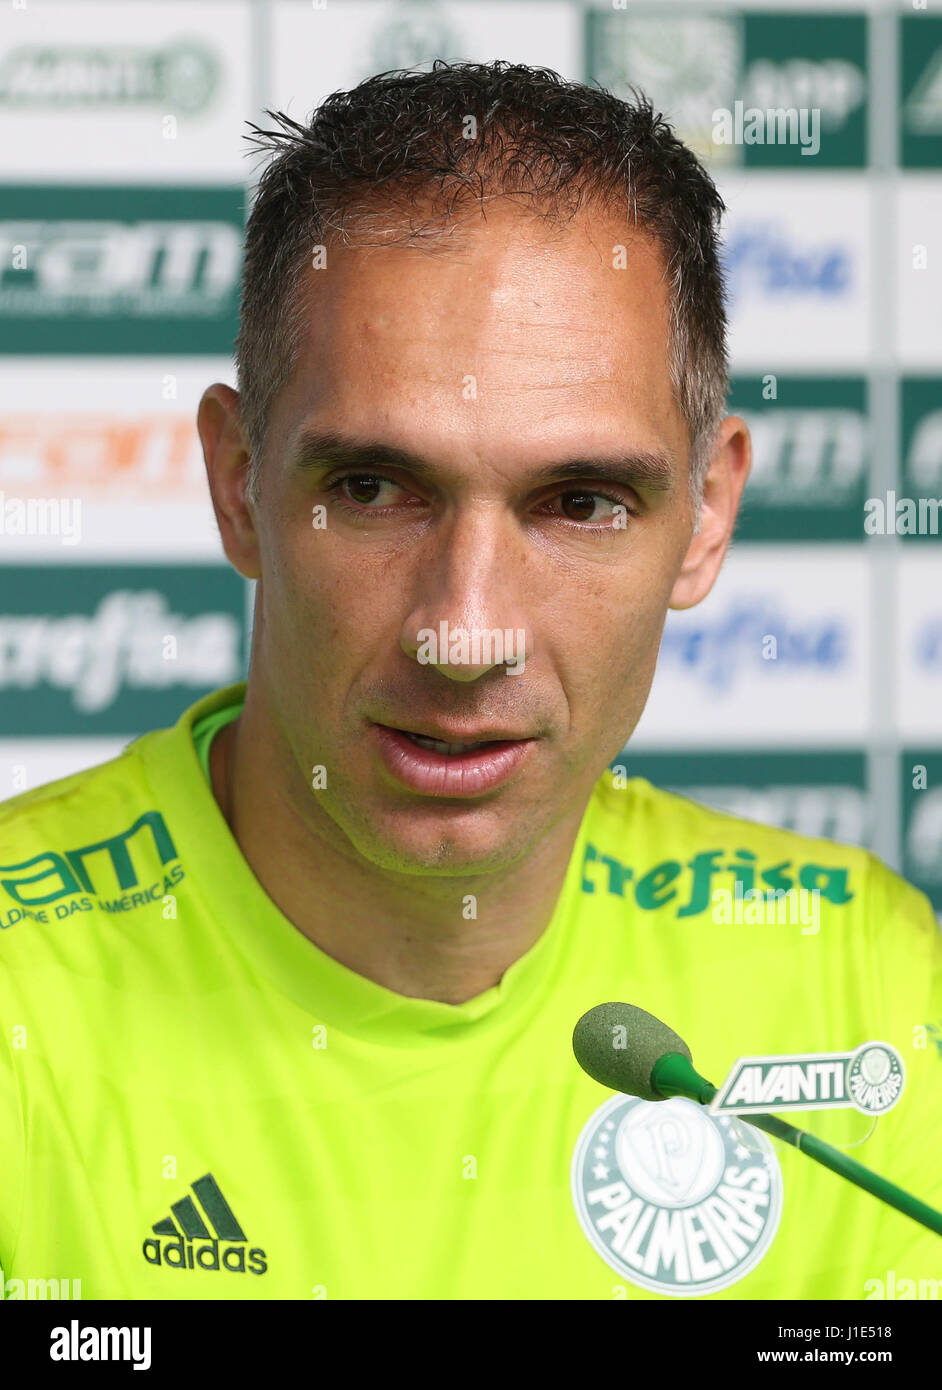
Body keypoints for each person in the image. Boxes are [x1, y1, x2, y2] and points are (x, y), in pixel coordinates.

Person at [0, 61, 938, 1301]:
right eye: (376, 490)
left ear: (707, 518)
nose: (465, 633)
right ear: (238, 485)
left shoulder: (859, 979)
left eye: (580, 503)